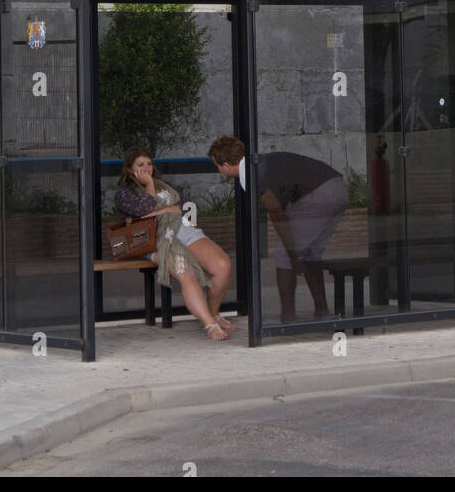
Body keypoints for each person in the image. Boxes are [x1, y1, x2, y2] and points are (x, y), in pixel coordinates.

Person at [208, 136, 347, 322]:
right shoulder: (259, 162)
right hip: (337, 187)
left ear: (225, 165)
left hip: (320, 193)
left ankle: (288, 318)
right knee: (310, 252)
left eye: (216, 165)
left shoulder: (254, 173)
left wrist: (292, 253)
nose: (218, 170)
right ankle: (322, 312)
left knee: (284, 254)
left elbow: (277, 215)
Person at [114, 147, 235, 341]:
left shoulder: (166, 186)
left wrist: (165, 209)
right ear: (129, 170)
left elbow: (184, 209)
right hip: (156, 240)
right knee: (188, 275)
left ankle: (213, 313)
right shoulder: (124, 194)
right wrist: (150, 185)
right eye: (140, 165)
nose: (146, 168)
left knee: (223, 267)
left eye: (149, 164)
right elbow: (143, 210)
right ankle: (209, 325)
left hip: (184, 230)